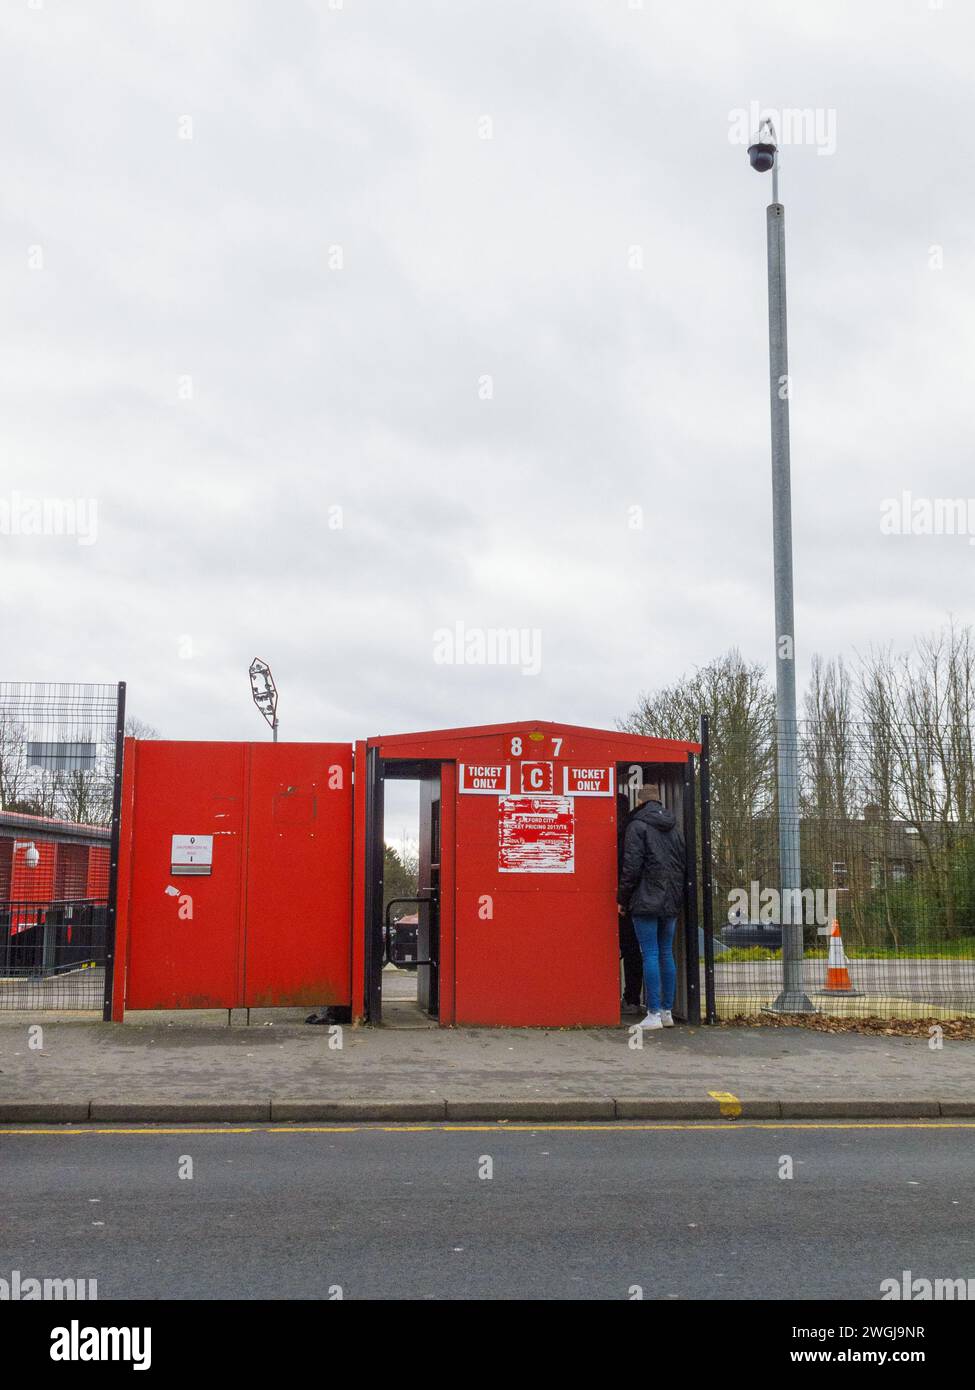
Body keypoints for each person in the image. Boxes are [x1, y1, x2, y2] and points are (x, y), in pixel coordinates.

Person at [617, 783, 686, 1030]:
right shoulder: (675, 827)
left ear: (639, 803)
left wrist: (622, 899)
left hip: (645, 900)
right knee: (666, 953)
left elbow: (631, 867)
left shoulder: (637, 826)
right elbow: (682, 864)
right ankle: (667, 1011)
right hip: (671, 900)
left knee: (650, 954)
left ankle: (653, 1013)